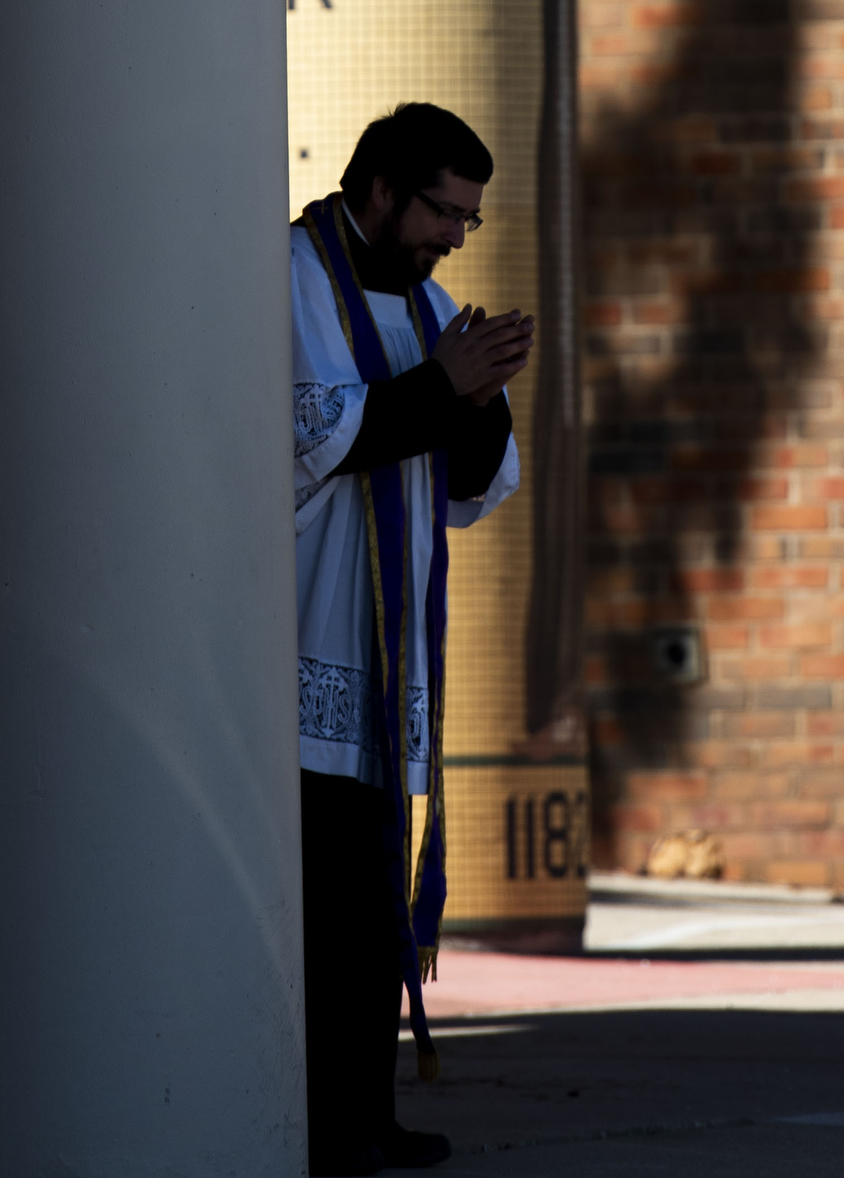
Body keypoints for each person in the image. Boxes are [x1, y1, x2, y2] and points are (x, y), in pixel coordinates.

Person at [291, 103, 534, 1177]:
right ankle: (314, 1118)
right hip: (300, 646)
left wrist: (474, 398)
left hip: (388, 663)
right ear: (380, 188)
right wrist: (445, 385)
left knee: (367, 909)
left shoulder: (429, 301)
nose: (454, 237)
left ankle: (365, 1115)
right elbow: (327, 436)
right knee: (317, 910)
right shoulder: (291, 279)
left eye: (469, 221)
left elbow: (472, 486)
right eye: (444, 210)